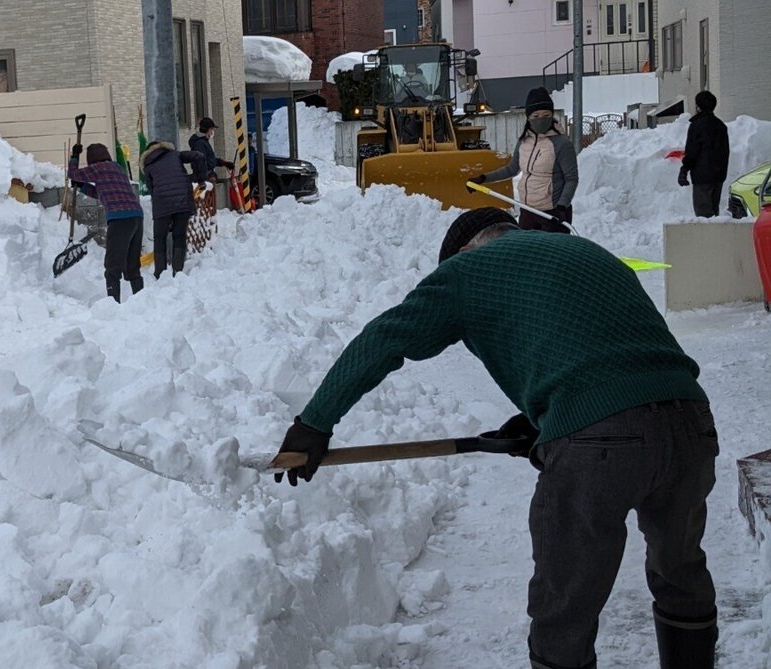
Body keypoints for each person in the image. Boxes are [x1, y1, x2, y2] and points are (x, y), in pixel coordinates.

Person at [275, 207, 719, 669]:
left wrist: (315, 422)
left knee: (564, 606)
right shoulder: (581, 248)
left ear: (464, 251)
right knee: (681, 572)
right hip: (690, 421)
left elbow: (385, 339)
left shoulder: (466, 271)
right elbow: (602, 345)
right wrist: (546, 420)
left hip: (599, 442)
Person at [468, 87, 578, 233]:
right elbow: (511, 169)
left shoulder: (562, 144)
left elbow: (571, 179)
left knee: (550, 255)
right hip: (528, 211)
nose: (541, 119)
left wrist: (562, 206)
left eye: (546, 114)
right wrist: (483, 178)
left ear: (552, 115)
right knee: (526, 253)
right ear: (528, 118)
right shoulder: (524, 141)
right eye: (536, 115)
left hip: (553, 213)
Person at [68, 142, 144, 302]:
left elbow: (72, 174)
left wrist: (74, 156)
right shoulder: (118, 168)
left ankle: (113, 305)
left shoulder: (97, 168)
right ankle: (142, 301)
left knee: (112, 266)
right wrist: (82, 186)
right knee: (132, 266)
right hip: (136, 216)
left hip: (120, 219)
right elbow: (101, 192)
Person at [140, 141, 205, 278]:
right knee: (179, 236)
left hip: (162, 203)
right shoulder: (175, 155)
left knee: (159, 238)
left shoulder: (148, 165)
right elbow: (198, 156)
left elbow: (152, 189)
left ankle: (160, 273)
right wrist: (199, 179)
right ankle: (178, 272)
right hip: (183, 200)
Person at [678, 91, 730, 218]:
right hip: (719, 175)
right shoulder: (721, 126)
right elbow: (725, 151)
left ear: (698, 107)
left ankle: (708, 237)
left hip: (702, 176)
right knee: (713, 211)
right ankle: (715, 236)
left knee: (703, 216)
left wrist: (684, 170)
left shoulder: (697, 126)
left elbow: (692, 152)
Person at [188, 118, 234, 182]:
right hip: (205, 178)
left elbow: (210, 159)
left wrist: (223, 163)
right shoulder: (199, 144)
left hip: (208, 175)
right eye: (212, 129)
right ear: (209, 129)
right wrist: (208, 176)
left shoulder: (204, 141)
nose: (213, 131)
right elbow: (201, 163)